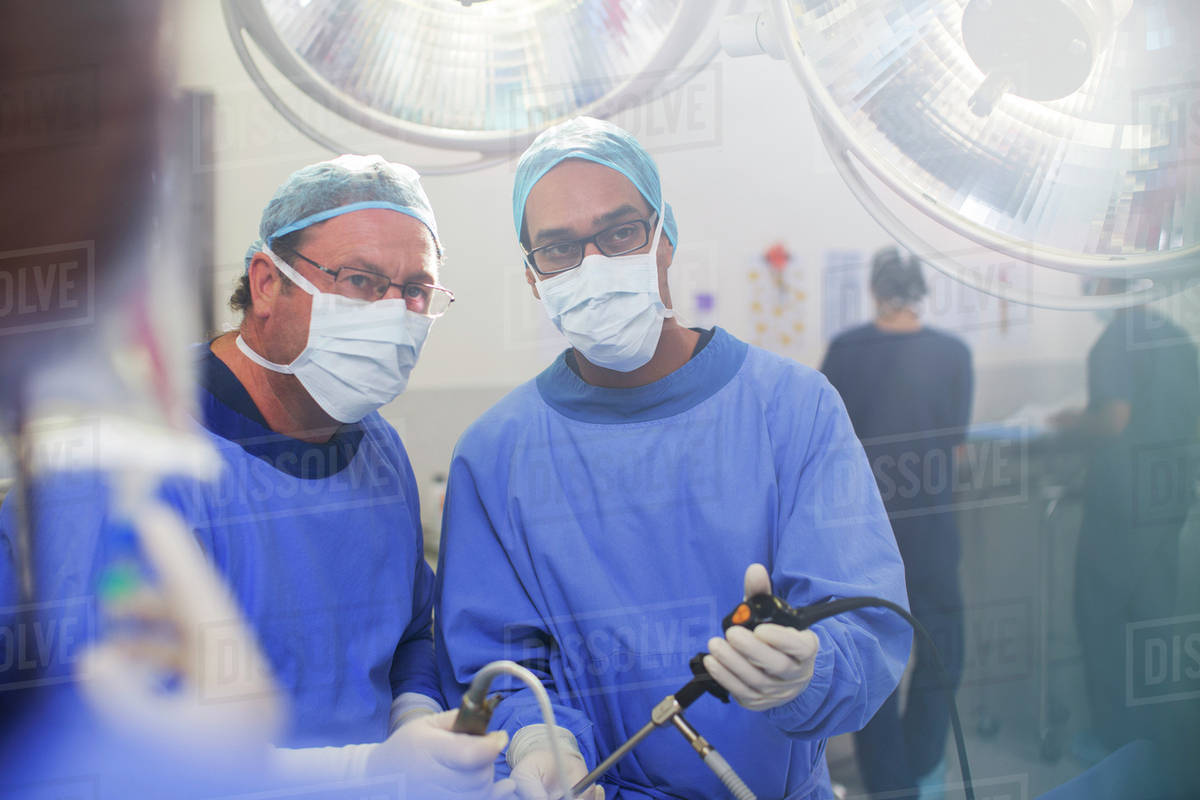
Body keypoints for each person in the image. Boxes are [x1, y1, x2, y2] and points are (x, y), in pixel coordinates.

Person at [1, 155, 512, 797]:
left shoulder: (378, 450)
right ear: (267, 283)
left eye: (415, 290)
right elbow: (109, 747)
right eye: (361, 280)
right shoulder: (120, 462)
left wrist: (413, 720)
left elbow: (410, 633)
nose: (395, 312)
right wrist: (366, 770)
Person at [434, 116, 911, 800]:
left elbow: (861, 624)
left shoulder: (791, 409)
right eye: (560, 248)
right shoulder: (495, 453)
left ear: (664, 237)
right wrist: (540, 741)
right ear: (534, 275)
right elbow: (495, 664)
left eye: (620, 233)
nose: (593, 264)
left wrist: (809, 671)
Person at [820, 248, 973, 799]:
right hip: (931, 532)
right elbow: (956, 452)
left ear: (874, 290)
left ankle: (891, 783)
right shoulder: (953, 354)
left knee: (872, 657)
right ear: (921, 292)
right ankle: (922, 763)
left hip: (863, 536)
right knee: (943, 650)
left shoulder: (846, 352)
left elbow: (826, 449)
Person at [1050, 278, 1199, 768]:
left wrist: (1072, 422)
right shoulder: (1176, 337)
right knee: (1153, 621)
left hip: (1123, 506)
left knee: (1102, 616)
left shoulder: (1114, 342)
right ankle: (1158, 746)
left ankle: (1115, 746)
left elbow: (1114, 420)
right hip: (1169, 499)